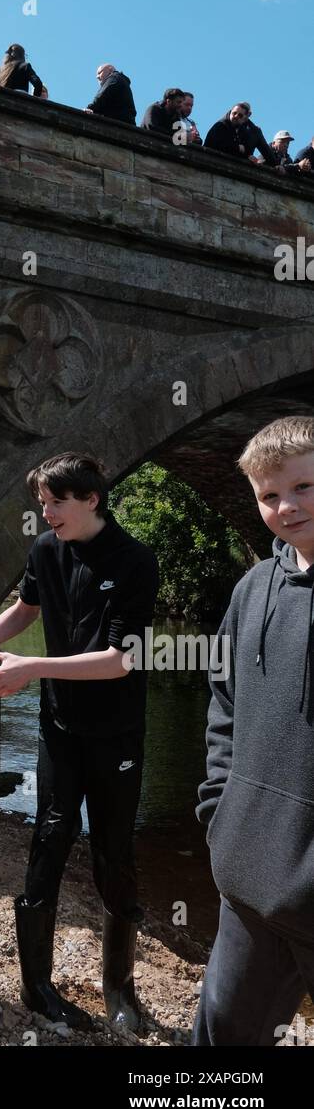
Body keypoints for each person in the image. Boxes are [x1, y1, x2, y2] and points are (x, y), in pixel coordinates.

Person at [0, 452, 159, 1032]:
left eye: (56, 503)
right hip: (59, 728)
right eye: (41, 504)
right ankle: (37, 987)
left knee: (114, 856)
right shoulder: (46, 549)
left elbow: (122, 663)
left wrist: (31, 668)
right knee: (48, 840)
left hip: (116, 731)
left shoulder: (135, 561)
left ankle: (119, 989)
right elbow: (25, 607)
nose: (46, 514)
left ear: (91, 499)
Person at [194, 416, 314, 1046]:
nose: (286, 507)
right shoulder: (251, 590)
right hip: (249, 878)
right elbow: (224, 708)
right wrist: (223, 818)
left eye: (304, 486)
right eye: (269, 496)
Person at [203, 104, 278, 166]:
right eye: (234, 113)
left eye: (240, 115)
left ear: (246, 117)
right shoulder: (220, 125)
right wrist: (238, 148)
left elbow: (264, 150)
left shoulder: (246, 130)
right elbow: (219, 145)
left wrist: (247, 156)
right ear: (231, 111)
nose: (236, 116)